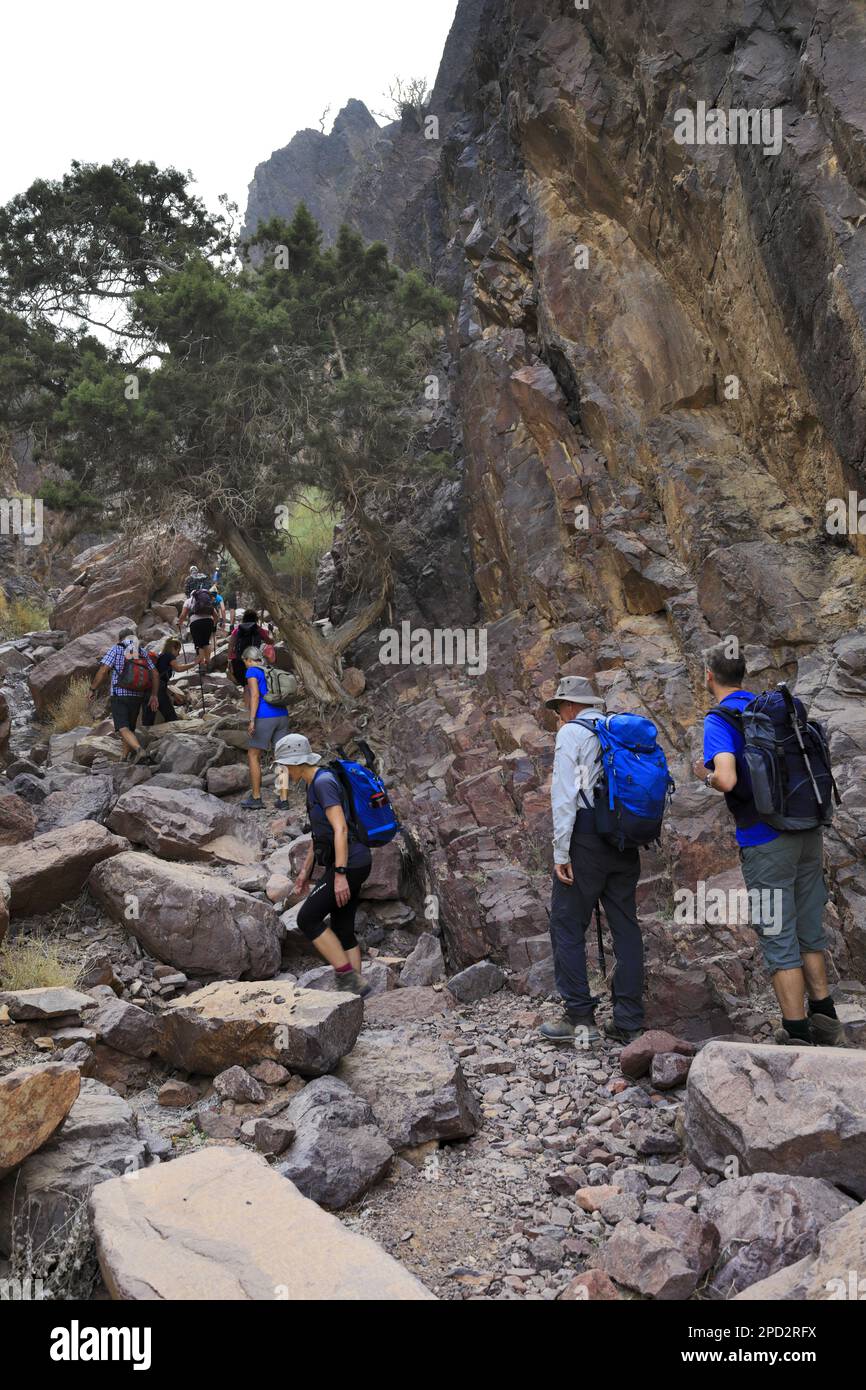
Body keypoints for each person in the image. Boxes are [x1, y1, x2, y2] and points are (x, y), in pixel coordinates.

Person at [695, 643, 843, 1046]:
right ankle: (826, 1019)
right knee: (809, 926)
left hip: (764, 839)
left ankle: (795, 1034)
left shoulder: (720, 719)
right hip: (806, 832)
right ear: (743, 674)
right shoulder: (771, 709)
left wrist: (704, 776)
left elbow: (725, 778)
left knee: (778, 932)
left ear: (710, 677)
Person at [539, 675, 645, 1046]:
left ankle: (580, 1018)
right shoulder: (618, 730)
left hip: (585, 840)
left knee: (567, 925)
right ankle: (629, 1020)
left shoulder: (571, 733)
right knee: (626, 927)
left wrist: (560, 852)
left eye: (558, 709)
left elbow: (564, 796)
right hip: (624, 840)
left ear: (568, 706)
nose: (558, 716)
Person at [275, 733, 371, 996]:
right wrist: (305, 872)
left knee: (308, 918)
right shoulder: (312, 783)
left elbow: (340, 829)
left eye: (284, 765)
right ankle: (354, 997)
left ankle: (348, 980)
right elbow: (321, 835)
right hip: (352, 860)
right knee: (342, 928)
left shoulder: (323, 783)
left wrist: (339, 874)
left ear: (296, 762)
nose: (283, 771)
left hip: (350, 863)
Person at [90, 627, 159, 763]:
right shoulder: (142, 651)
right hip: (138, 695)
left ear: (120, 639)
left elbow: (104, 670)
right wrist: (154, 695)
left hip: (119, 694)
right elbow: (155, 674)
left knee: (122, 728)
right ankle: (124, 758)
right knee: (129, 729)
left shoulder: (117, 648)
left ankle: (140, 751)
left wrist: (92, 689)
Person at [240, 646, 292, 809]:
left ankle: (256, 798)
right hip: (282, 715)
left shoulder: (252, 672)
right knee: (282, 756)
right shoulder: (270, 669)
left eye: (245, 662)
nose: (245, 664)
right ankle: (283, 799)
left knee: (253, 755)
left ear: (248, 659)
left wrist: (252, 720)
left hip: (265, 716)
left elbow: (255, 695)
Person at [142, 636, 199, 726]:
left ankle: (145, 737)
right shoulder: (169, 655)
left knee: (148, 720)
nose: (179, 653)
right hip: (158, 692)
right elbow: (178, 669)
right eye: (178, 650)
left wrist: (172, 694)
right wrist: (194, 664)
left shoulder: (161, 656)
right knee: (171, 716)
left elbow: (160, 679)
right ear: (173, 648)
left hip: (148, 690)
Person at [227, 609, 272, 702]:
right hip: (254, 660)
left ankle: (248, 708)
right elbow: (270, 641)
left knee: (246, 685)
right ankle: (256, 707)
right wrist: (271, 633)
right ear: (256, 619)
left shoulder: (237, 630)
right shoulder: (258, 629)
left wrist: (229, 659)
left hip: (239, 660)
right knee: (255, 683)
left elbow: (231, 645)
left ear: (244, 618)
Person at [180, 584, 216, 666]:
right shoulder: (207, 601)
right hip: (208, 622)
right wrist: (214, 626)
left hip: (195, 623)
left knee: (199, 644)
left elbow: (183, 615)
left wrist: (179, 623)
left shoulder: (189, 600)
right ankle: (209, 663)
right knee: (206, 642)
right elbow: (216, 616)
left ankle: (202, 664)